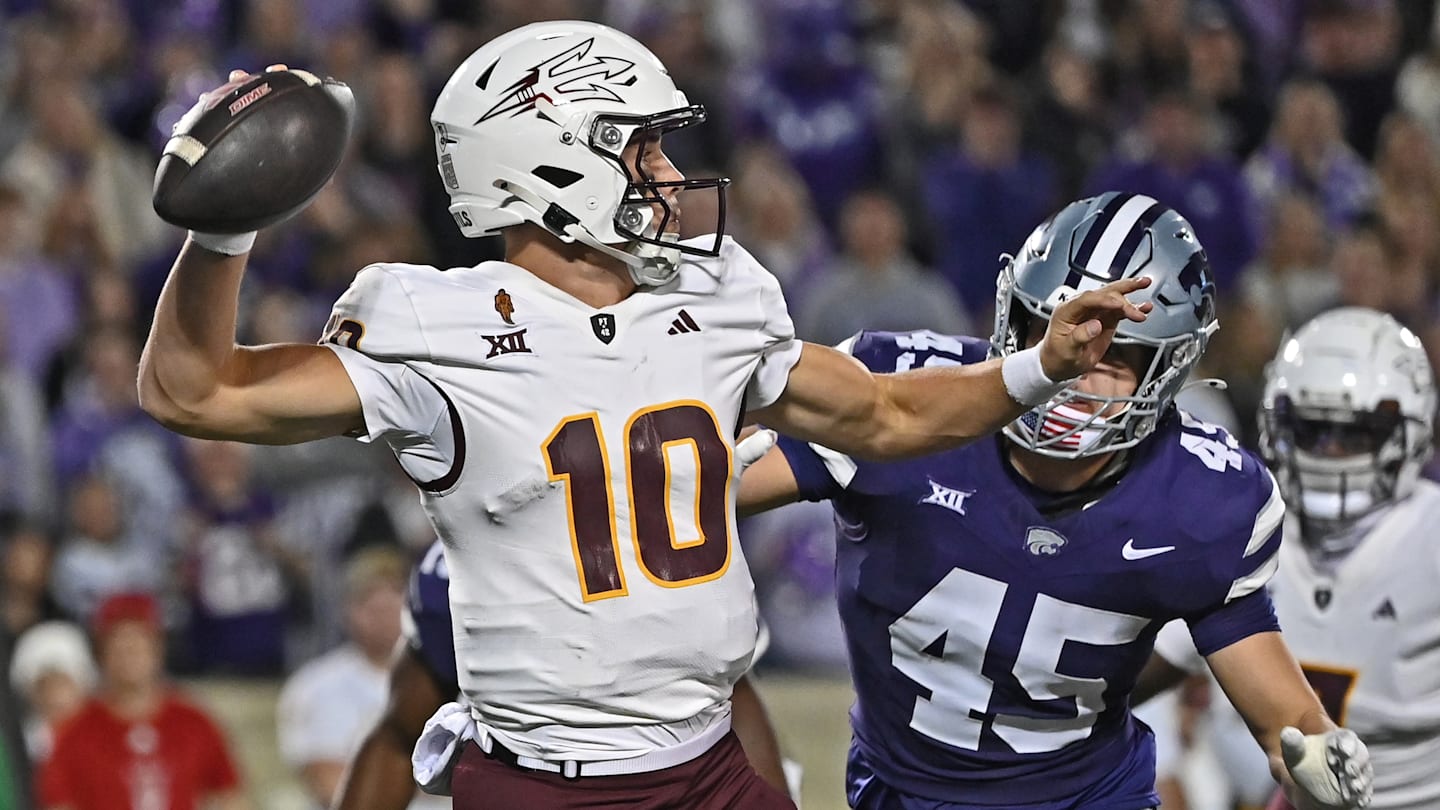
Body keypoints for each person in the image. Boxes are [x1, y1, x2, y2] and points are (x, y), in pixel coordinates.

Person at [137, 21, 1150, 809]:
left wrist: (1034, 369)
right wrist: (225, 233)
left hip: (708, 759)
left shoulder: (712, 296)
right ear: (550, 166)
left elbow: (883, 413)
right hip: (544, 782)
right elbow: (194, 390)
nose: (669, 174)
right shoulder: (432, 324)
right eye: (641, 150)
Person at [737, 192, 1373, 810]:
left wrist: (1318, 763)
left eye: (1115, 354)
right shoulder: (899, 395)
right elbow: (695, 489)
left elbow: (1286, 728)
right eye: (1048, 330)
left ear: (1170, 370)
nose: (1073, 369)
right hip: (902, 791)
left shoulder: (1203, 498)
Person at [1144, 306, 1439, 809]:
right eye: (1310, 430)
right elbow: (1121, 677)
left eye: (1355, 434)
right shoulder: (1247, 525)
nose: (1330, 452)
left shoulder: (1428, 538)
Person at [333, 535, 792, 810]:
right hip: (537, 784)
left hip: (680, 780)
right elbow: (398, 737)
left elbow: (730, 702)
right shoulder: (458, 573)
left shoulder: (680, 546)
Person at [37, 592, 247, 810]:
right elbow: (59, 804)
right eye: (118, 643)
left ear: (158, 648)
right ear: (101, 654)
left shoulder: (194, 722)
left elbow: (230, 796)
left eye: (139, 641)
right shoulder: (74, 732)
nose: (130, 652)